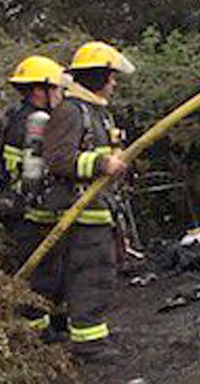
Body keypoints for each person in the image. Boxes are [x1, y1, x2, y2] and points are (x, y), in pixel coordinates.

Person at [42, 41, 134, 360]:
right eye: (111, 76)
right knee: (92, 275)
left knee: (96, 273)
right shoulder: (72, 111)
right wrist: (101, 163)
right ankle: (88, 343)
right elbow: (58, 159)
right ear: (98, 76)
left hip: (97, 209)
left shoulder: (95, 111)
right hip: (81, 212)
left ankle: (89, 332)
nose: (114, 83)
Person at [0, 56, 68, 336]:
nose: (60, 94)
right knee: (41, 276)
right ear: (39, 90)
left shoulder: (13, 116)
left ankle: (55, 325)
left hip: (11, 206)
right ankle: (39, 336)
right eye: (56, 88)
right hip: (28, 213)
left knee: (48, 272)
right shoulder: (38, 122)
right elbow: (34, 175)